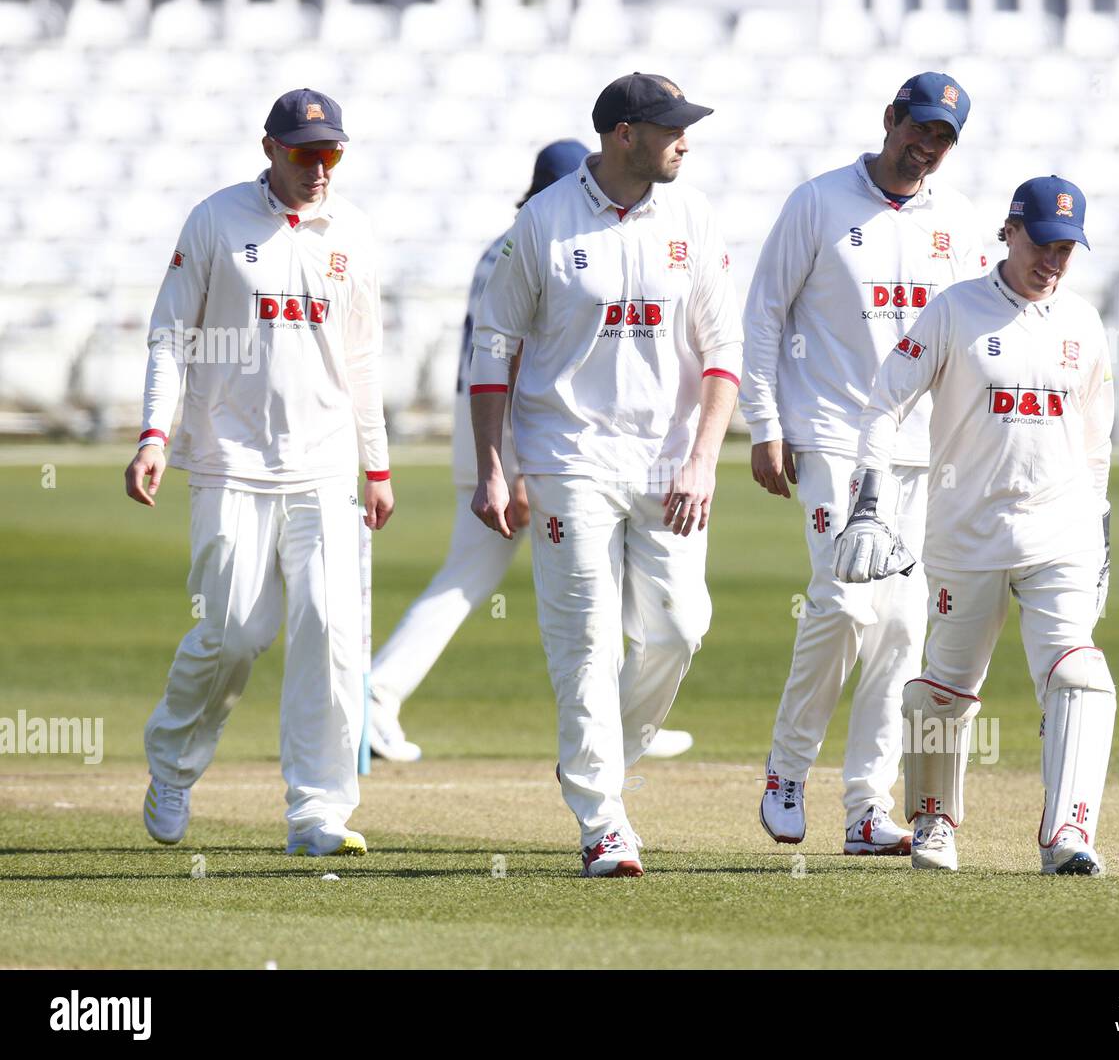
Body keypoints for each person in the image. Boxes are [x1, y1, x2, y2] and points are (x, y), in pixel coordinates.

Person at [469, 74, 742, 877]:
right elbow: (493, 350)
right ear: (625, 134)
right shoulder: (544, 223)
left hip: (669, 463)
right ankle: (603, 821)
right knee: (586, 640)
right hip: (567, 458)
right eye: (671, 127)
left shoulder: (692, 216)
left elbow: (724, 351)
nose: (685, 138)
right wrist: (495, 464)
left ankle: (597, 760)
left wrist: (702, 458)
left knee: (680, 626)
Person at [125, 89, 393, 857]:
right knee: (235, 633)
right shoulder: (216, 220)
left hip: (324, 467)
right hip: (228, 462)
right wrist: (154, 434)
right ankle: (173, 765)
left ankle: (318, 811)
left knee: (330, 635)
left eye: (332, 154)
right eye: (306, 153)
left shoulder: (354, 233)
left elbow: (363, 357)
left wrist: (375, 464)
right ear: (270, 148)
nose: (320, 169)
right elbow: (170, 337)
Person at [367, 139, 694, 765]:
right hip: (512, 433)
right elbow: (514, 362)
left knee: (600, 571)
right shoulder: (535, 242)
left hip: (492, 426)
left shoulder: (511, 243)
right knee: (477, 574)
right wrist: (512, 466)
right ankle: (376, 696)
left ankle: (628, 718)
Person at [834, 176, 1114, 876]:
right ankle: (934, 823)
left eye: (1066, 249)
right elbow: (883, 404)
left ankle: (1068, 835)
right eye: (1043, 243)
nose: (1053, 260)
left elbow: (1096, 443)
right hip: (966, 533)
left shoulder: (1083, 323)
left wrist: (1100, 535)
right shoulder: (955, 310)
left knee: (1078, 674)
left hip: (1062, 534)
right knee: (944, 691)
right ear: (1010, 231)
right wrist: (870, 503)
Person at [740, 73, 986, 854]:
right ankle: (785, 768)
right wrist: (764, 425)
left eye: (943, 137)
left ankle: (864, 807)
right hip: (833, 434)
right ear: (891, 120)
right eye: (919, 128)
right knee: (847, 601)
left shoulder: (960, 223)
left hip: (921, 449)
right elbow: (764, 316)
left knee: (903, 623)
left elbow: (970, 342)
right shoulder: (817, 202)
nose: (927, 146)